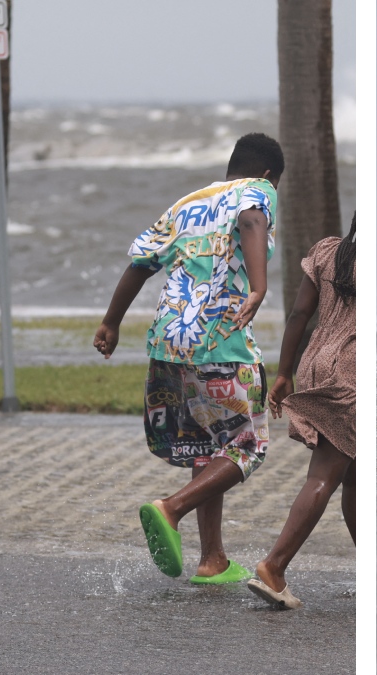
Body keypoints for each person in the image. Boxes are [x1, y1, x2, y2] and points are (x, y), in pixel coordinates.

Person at [93, 132, 282, 586]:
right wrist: (259, 286)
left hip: (169, 344)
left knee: (207, 445)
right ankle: (171, 508)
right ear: (268, 174)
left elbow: (141, 263)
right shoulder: (258, 190)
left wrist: (111, 322)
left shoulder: (186, 204)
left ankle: (213, 559)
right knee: (247, 446)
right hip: (221, 344)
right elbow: (252, 220)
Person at [249, 216, 357, 610]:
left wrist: (284, 374)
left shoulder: (329, 252)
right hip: (352, 368)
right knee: (325, 475)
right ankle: (273, 567)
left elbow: (298, 314)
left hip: (316, 360)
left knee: (354, 478)